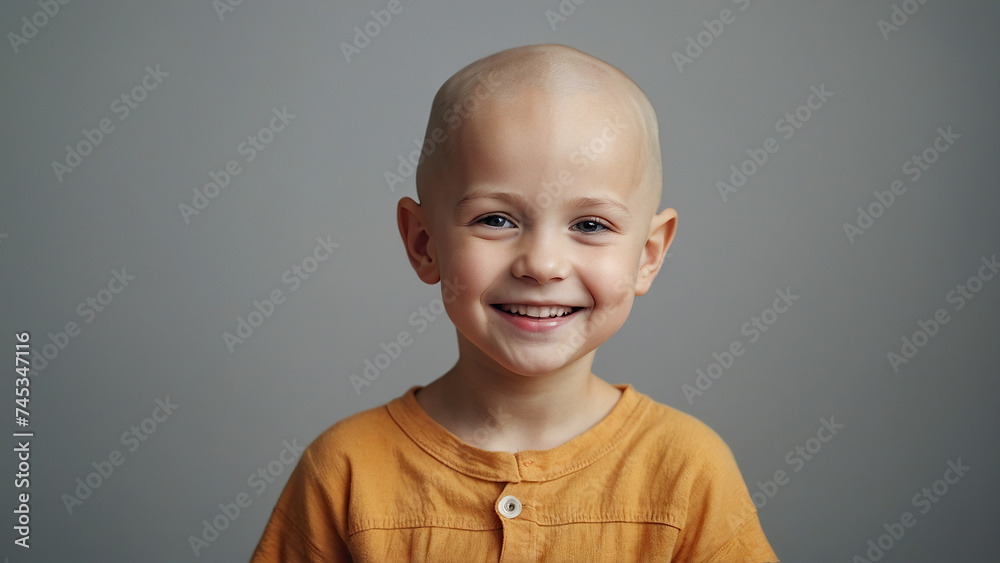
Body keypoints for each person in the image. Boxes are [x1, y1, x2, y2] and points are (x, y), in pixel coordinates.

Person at [250, 43, 778, 562]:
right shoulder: (344, 470)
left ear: (648, 254)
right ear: (423, 243)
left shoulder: (687, 472)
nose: (542, 264)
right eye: (495, 220)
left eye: (590, 225)